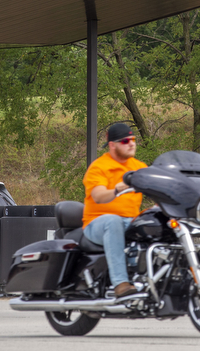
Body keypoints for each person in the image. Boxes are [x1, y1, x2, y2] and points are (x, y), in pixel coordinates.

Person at [82, 122, 147, 298]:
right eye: (126, 141)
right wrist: (117, 189)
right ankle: (121, 284)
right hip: (97, 223)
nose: (132, 143)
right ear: (112, 145)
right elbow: (98, 196)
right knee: (113, 220)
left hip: (131, 222)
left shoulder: (139, 167)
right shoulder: (99, 167)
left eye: (133, 139)